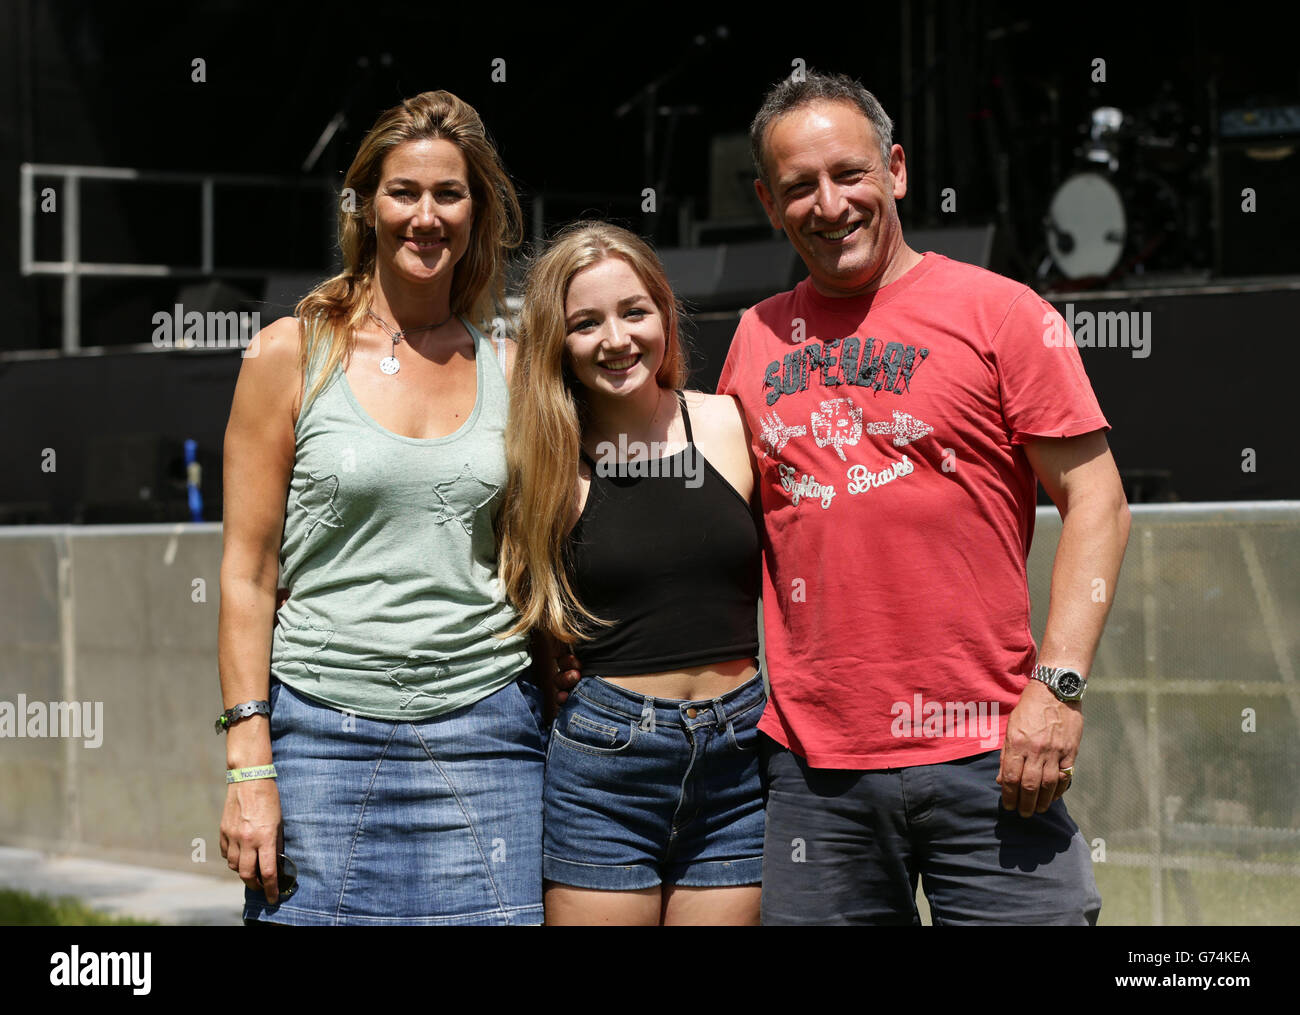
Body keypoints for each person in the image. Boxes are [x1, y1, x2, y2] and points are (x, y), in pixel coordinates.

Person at [556, 72, 1131, 925]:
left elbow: (1099, 502)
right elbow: (691, 519)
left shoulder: (1001, 312)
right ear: (767, 201)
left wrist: (1058, 687)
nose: (829, 204)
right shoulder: (756, 336)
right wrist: (583, 634)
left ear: (896, 169)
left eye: (849, 174)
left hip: (991, 750)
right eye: (799, 186)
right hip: (811, 776)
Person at [217, 90, 548, 925]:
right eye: (404, 191)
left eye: (450, 193)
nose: (426, 216)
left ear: (478, 210)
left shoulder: (512, 371)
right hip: (319, 739)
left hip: (488, 737)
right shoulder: (288, 353)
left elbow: (539, 552)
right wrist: (249, 763)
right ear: (365, 205)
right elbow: (248, 575)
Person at [499, 221, 766, 925]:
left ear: (665, 315)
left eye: (634, 312)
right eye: (586, 322)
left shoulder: (727, 423)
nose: (616, 339)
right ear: (557, 341)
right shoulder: (546, 463)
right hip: (606, 766)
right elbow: (526, 606)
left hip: (740, 759)